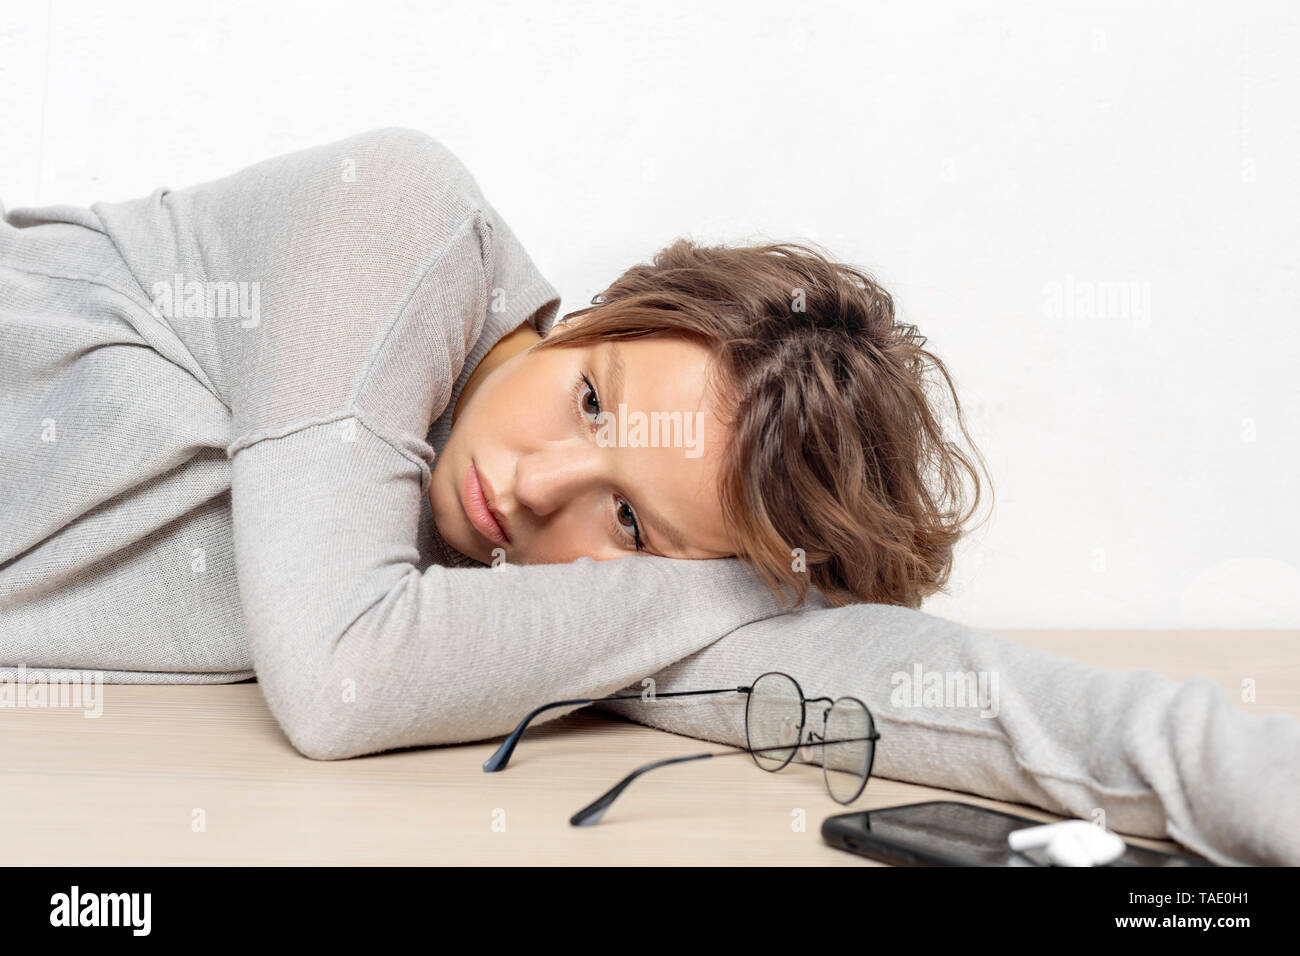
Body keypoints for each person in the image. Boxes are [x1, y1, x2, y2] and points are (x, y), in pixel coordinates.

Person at [1, 128, 1295, 865]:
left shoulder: (538, 621)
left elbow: (883, 687)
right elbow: (343, 683)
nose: (536, 487)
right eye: (594, 402)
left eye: (627, 523)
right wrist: (729, 581)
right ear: (598, 316)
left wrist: (1239, 781)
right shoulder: (391, 223)